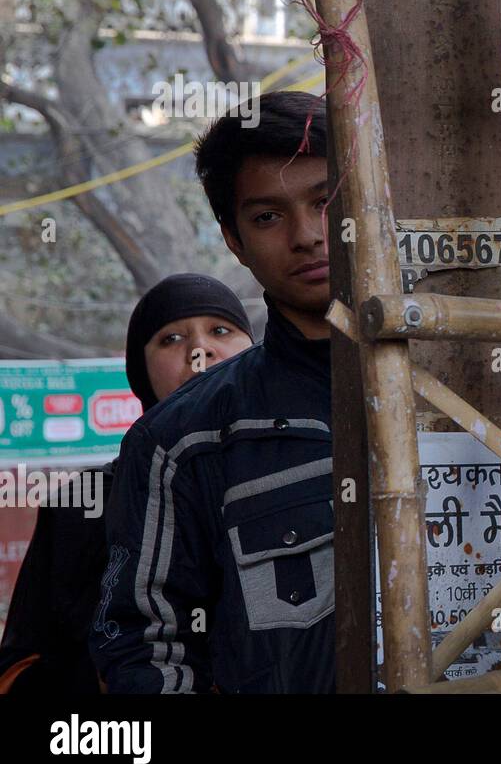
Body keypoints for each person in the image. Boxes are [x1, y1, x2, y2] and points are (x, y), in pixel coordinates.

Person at [90, 91, 336, 693]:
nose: (307, 235)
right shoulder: (182, 442)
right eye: (268, 217)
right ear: (233, 239)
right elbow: (141, 643)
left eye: (327, 202)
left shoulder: (480, 386)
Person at [0, 275, 252, 694]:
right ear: (140, 370)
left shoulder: (293, 479)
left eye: (220, 330)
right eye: (171, 338)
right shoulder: (86, 502)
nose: (199, 350)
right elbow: (21, 664)